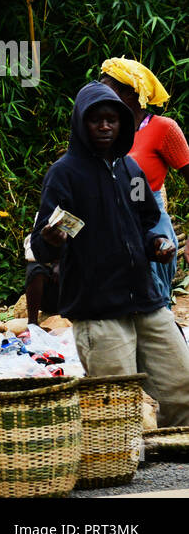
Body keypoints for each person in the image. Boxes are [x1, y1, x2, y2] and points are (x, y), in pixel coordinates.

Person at [31, 81, 189, 427]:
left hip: (146, 301)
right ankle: (118, 469)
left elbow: (145, 221)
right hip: (98, 308)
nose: (105, 126)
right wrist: (53, 239)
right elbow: (41, 246)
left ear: (123, 124)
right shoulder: (65, 175)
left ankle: (176, 460)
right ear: (80, 124)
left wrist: (157, 246)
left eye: (112, 120)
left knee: (182, 386)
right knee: (114, 406)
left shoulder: (130, 171)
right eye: (96, 120)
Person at [99, 57, 185, 309]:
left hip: (150, 223)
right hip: (113, 222)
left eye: (108, 89)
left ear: (128, 94)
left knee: (154, 301)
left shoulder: (163, 129)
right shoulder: (106, 131)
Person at [24, 216, 60, 326]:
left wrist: (62, 263)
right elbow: (31, 254)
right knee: (35, 269)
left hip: (74, 295)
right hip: (50, 295)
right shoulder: (44, 217)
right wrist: (54, 263)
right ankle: (32, 323)